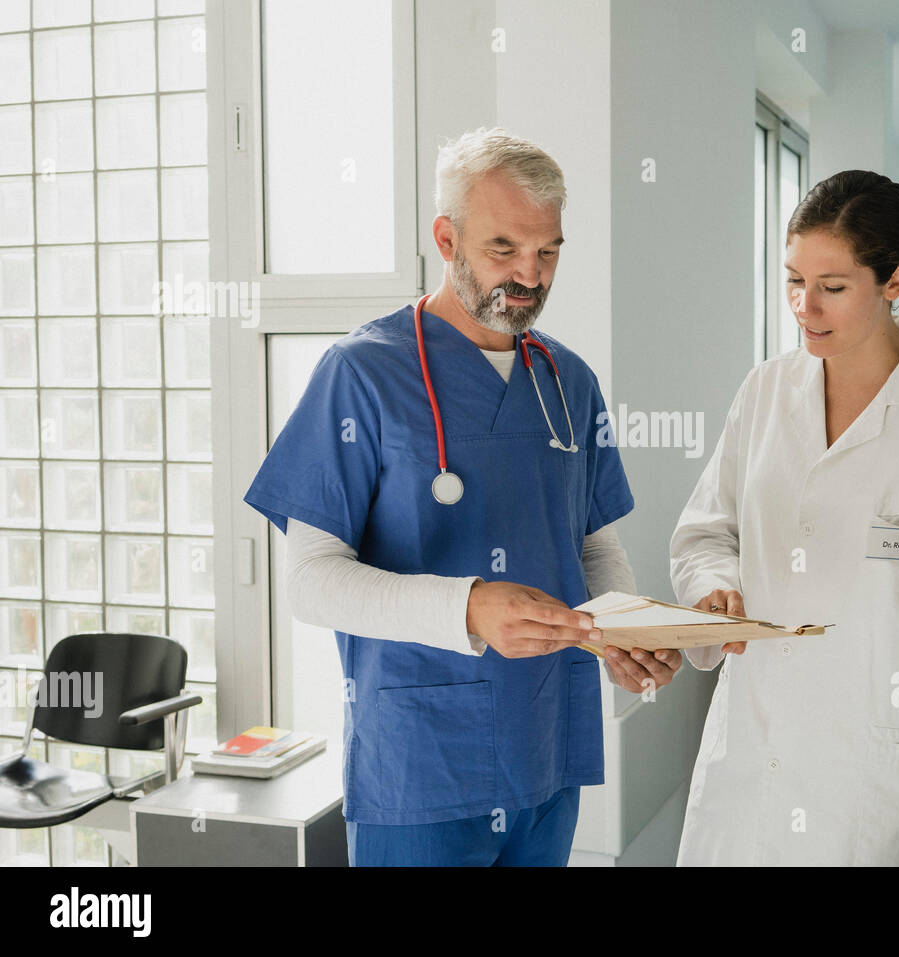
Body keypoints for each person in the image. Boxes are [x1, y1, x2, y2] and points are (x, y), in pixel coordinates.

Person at [244, 128, 682, 866]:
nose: (530, 276)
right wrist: (468, 607)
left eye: (548, 252)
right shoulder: (361, 373)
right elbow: (310, 582)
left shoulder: (567, 382)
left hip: (547, 747)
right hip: (420, 764)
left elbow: (591, 542)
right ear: (446, 237)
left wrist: (622, 629)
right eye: (503, 248)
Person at [669, 169, 899, 866]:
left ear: (896, 281)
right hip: (753, 756)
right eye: (793, 280)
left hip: (878, 792)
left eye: (833, 287)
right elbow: (707, 531)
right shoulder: (766, 391)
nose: (805, 306)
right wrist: (714, 585)